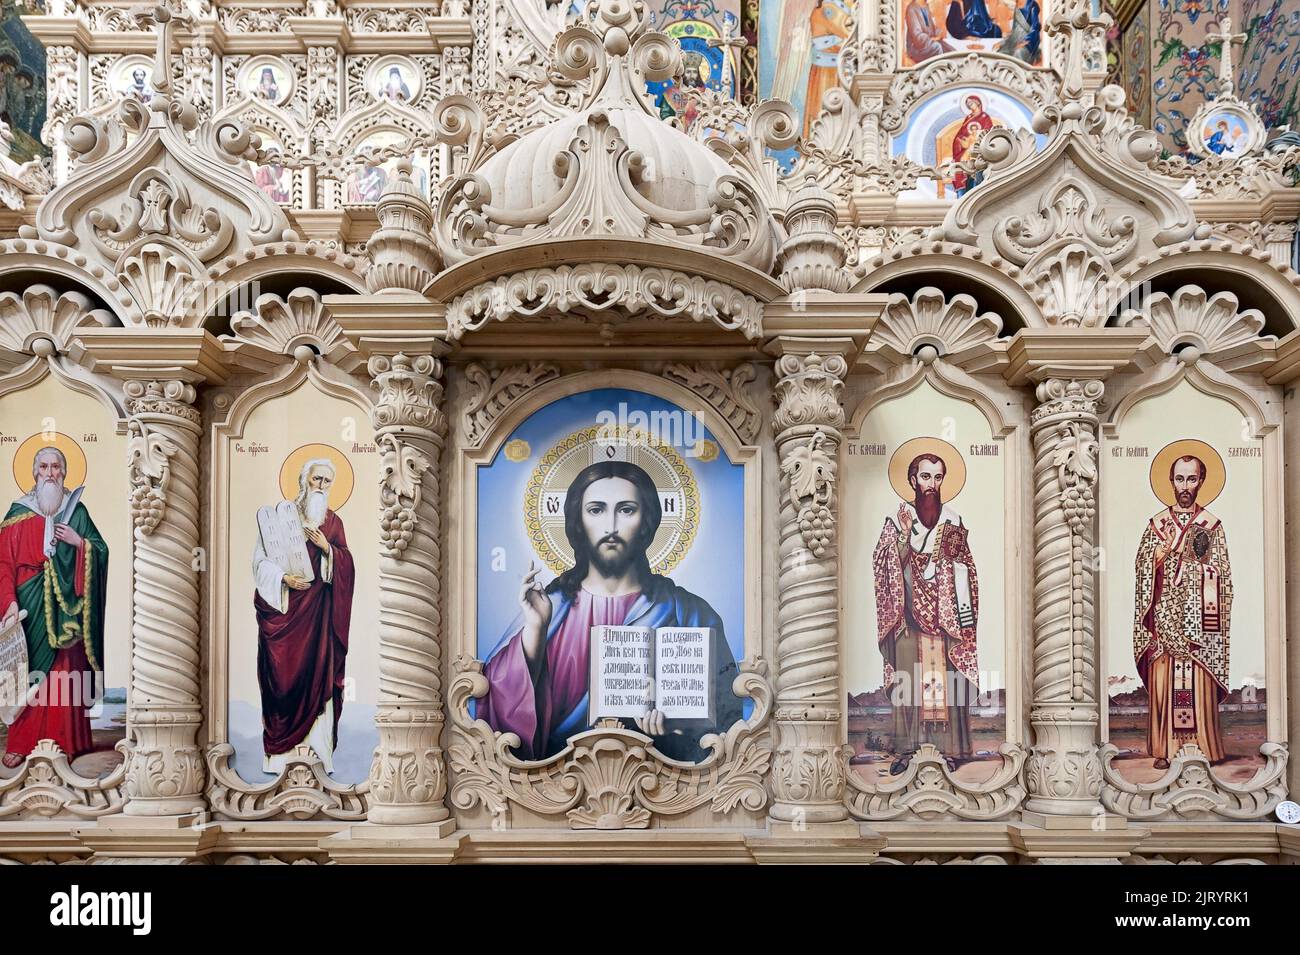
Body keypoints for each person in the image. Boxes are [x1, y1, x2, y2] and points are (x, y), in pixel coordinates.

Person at [479, 460, 741, 762]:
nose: (611, 526)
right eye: (596, 510)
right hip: (554, 780)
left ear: (646, 521)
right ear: (578, 521)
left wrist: (678, 730)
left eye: (626, 509)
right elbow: (497, 703)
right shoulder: (552, 607)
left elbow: (726, 717)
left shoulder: (691, 613)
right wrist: (536, 632)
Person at [0, 447, 108, 768]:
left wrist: (79, 542)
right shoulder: (17, 513)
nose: (50, 472)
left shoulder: (78, 512)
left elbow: (99, 551)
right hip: (27, 606)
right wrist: (8, 602)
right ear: (34, 472)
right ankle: (21, 743)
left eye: (56, 467)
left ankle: (66, 740)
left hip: (68, 610)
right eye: (44, 466)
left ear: (64, 472)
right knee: (26, 674)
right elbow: (2, 564)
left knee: (64, 675)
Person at [872, 452, 979, 774]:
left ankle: (948, 751)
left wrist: (952, 562)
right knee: (909, 685)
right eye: (925, 477)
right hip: (907, 621)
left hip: (945, 621)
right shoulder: (896, 519)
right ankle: (907, 751)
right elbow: (882, 566)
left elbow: (968, 569)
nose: (931, 485)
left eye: (937, 477)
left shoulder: (954, 520)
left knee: (945, 686)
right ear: (912, 480)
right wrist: (904, 538)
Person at [253, 459, 355, 774]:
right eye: (316, 479)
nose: (321, 486)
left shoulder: (333, 523)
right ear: (304, 479)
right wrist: (283, 579)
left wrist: (329, 550)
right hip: (284, 614)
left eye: (327, 480)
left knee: (317, 676)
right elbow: (259, 561)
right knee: (281, 681)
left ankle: (317, 749)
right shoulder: (278, 518)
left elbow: (347, 567)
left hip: (319, 621)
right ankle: (280, 755)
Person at [1132, 454, 1232, 769]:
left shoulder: (1211, 525)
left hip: (1197, 623)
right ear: (1171, 482)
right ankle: (1165, 749)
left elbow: (1223, 575)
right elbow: (1141, 567)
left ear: (1201, 481)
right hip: (1163, 620)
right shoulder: (1157, 525)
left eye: (1191, 479)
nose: (1185, 486)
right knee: (1166, 680)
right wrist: (1158, 556)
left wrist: (1195, 571)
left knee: (1195, 681)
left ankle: (1203, 746)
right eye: (1179, 479)